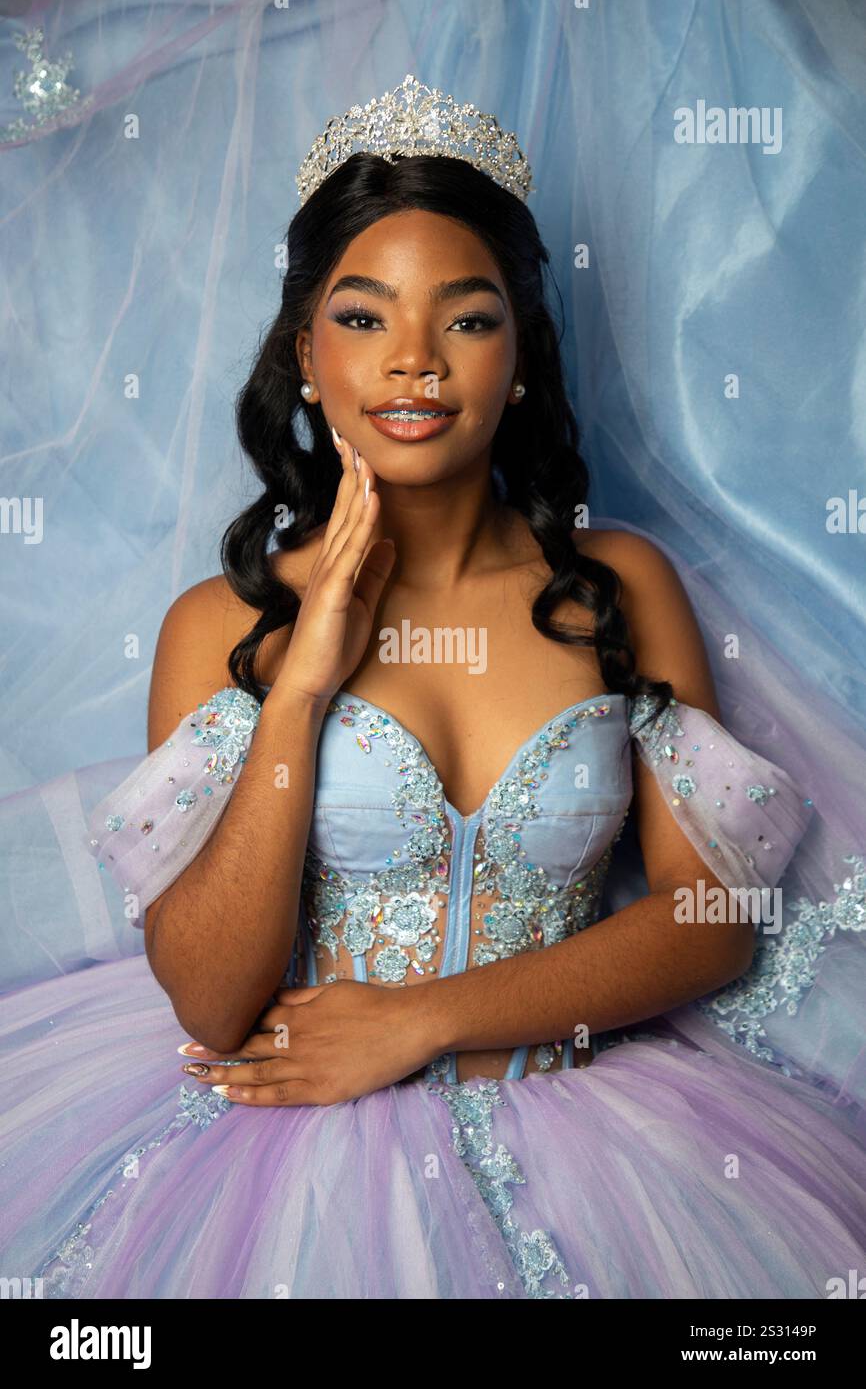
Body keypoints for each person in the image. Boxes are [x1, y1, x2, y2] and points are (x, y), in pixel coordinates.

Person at [1, 75, 864, 1300]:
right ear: (303, 353)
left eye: (465, 319)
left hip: (596, 1131)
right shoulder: (226, 620)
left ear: (519, 355)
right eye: (361, 318)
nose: (412, 363)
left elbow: (711, 918)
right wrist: (300, 690)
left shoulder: (618, 584)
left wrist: (424, 1017)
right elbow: (208, 991)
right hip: (285, 1165)